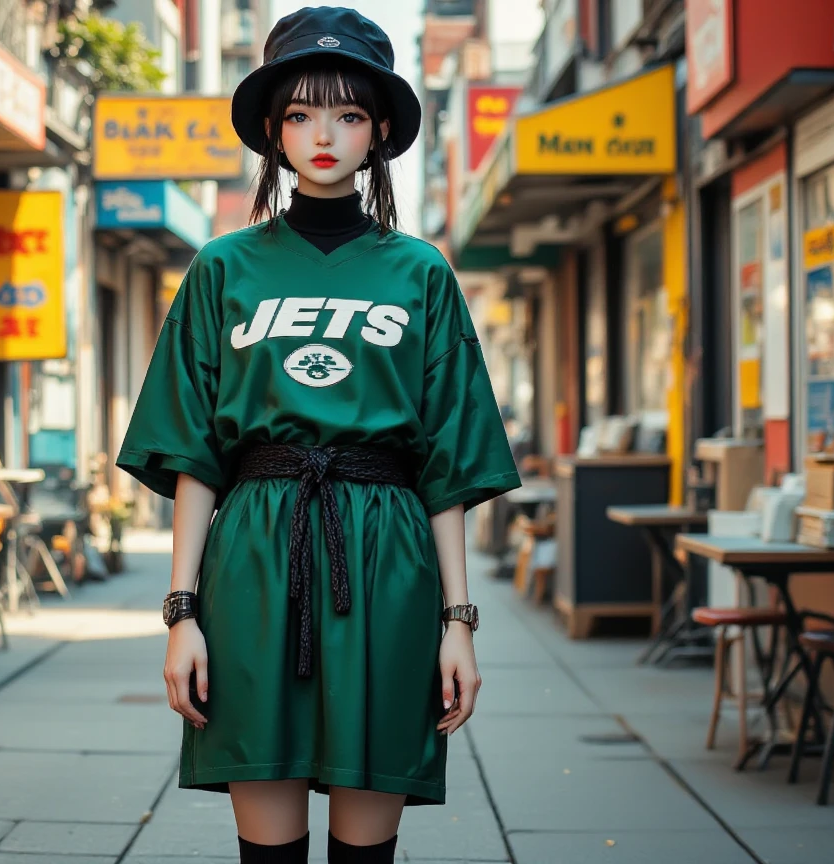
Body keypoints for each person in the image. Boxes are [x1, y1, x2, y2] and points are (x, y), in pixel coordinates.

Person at [115, 8, 520, 863]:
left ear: (377, 133)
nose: (322, 134)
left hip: (389, 558)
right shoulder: (222, 267)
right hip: (256, 556)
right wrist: (181, 614)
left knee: (368, 842)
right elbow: (194, 454)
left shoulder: (421, 272)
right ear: (272, 131)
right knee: (266, 840)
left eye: (346, 114)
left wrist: (459, 622)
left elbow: (445, 465)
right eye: (300, 113)